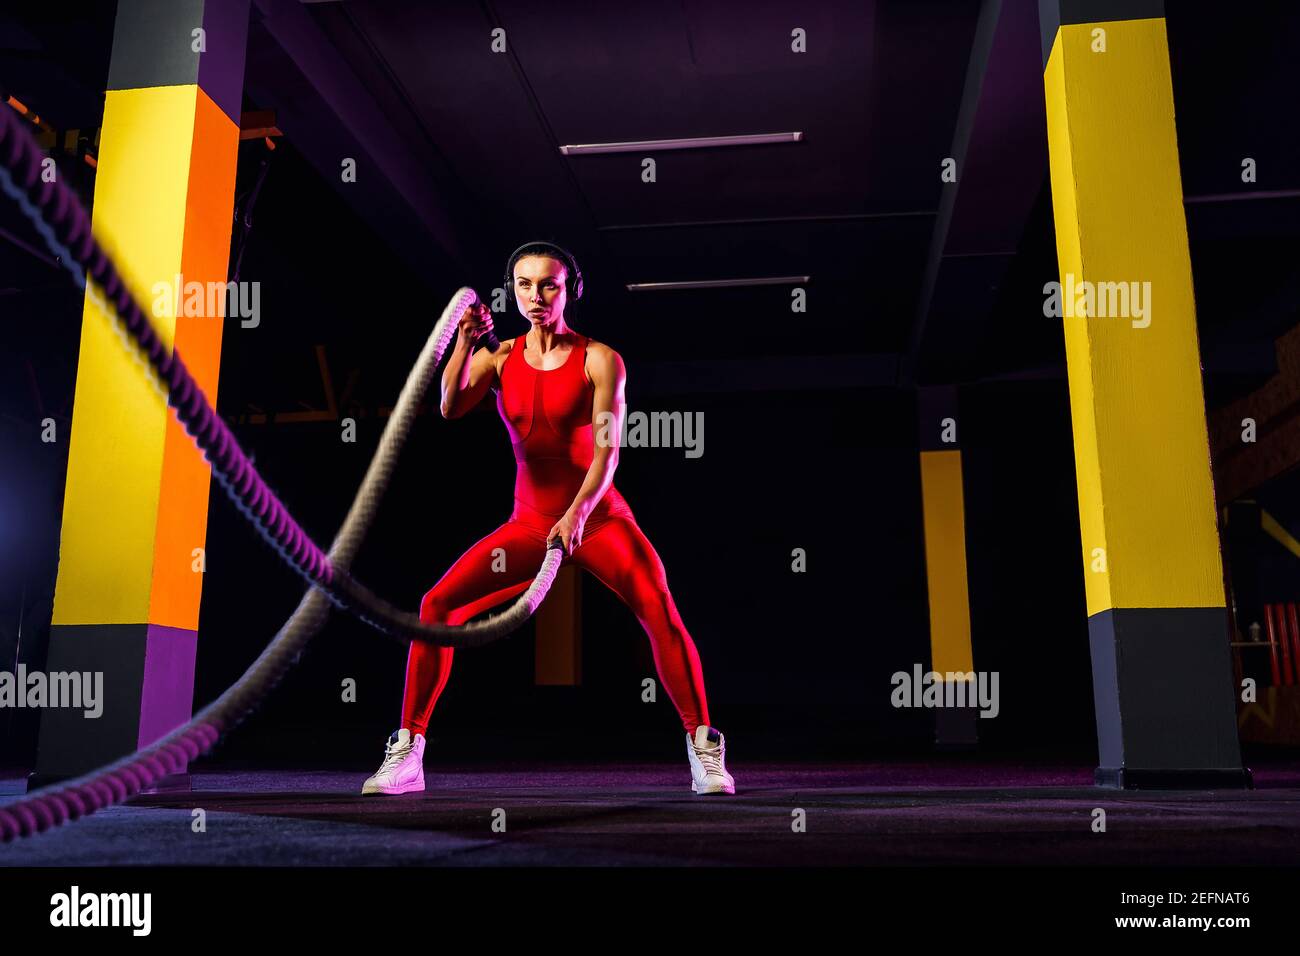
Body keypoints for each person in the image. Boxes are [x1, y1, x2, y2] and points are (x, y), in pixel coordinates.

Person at [362, 241, 734, 796]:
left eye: (549, 285)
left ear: (570, 290)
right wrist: (464, 344)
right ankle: (409, 752)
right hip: (531, 524)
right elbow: (449, 406)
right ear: (512, 291)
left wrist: (579, 512)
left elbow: (608, 454)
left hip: (599, 515)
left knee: (659, 605)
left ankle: (704, 745)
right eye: (525, 285)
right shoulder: (500, 356)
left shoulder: (600, 359)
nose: (536, 296)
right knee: (437, 607)